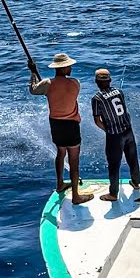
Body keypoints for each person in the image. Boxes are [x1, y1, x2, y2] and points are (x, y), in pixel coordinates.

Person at [28, 53, 92, 204]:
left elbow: (33, 89)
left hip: (56, 124)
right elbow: (63, 92)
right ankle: (76, 196)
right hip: (71, 124)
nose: (70, 68)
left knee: (60, 153)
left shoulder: (47, 84)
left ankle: (60, 184)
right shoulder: (76, 83)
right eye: (68, 66)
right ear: (63, 68)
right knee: (74, 159)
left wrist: (32, 72)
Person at [90, 68, 140, 203]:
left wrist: (108, 129)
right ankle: (136, 182)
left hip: (114, 136)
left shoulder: (97, 98)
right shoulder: (119, 92)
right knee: (133, 159)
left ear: (96, 82)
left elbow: (97, 120)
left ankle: (113, 193)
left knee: (114, 164)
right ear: (110, 80)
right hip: (128, 131)